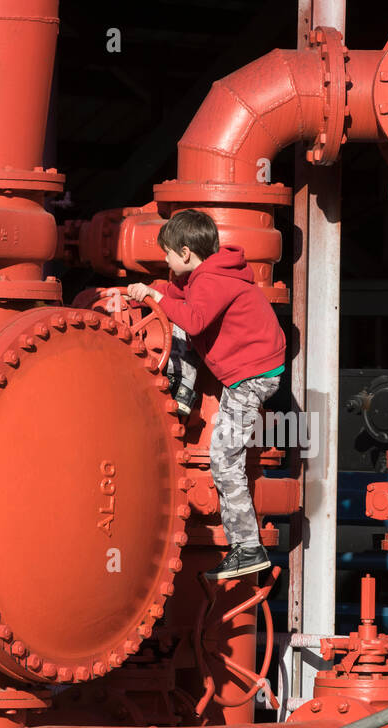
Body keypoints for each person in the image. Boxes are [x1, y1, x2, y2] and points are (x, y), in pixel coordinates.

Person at [127, 209, 286, 581]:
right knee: (174, 316)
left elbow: (194, 318)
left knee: (223, 458)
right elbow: (178, 295)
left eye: (167, 253)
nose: (164, 260)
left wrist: (155, 294)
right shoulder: (209, 275)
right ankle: (182, 392)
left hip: (252, 376)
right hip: (249, 367)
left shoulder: (211, 281)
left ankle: (247, 547)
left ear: (184, 253)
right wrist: (150, 292)